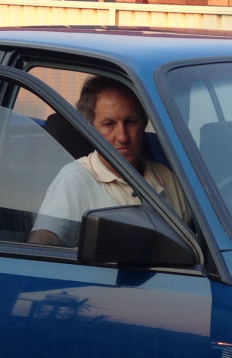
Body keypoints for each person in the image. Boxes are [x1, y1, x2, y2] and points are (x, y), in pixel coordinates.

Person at [28, 77, 190, 247]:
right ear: (90, 128)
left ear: (144, 123)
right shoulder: (75, 178)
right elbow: (42, 245)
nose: (122, 137)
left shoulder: (166, 177)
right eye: (109, 124)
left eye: (130, 122)